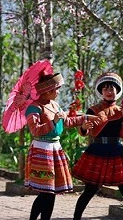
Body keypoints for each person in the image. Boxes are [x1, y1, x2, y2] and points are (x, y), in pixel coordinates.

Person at [25, 71, 96, 220]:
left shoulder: (55, 105)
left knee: (51, 192)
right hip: (41, 151)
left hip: (54, 149)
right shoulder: (34, 108)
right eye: (56, 89)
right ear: (47, 91)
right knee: (45, 192)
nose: (58, 92)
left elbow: (67, 121)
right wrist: (53, 122)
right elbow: (35, 130)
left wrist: (85, 118)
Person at [71, 72, 123, 220]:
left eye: (112, 88)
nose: (109, 92)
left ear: (117, 91)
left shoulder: (121, 111)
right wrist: (84, 127)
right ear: (101, 91)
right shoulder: (93, 110)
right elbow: (85, 131)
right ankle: (76, 218)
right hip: (98, 151)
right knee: (90, 189)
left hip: (116, 152)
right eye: (105, 89)